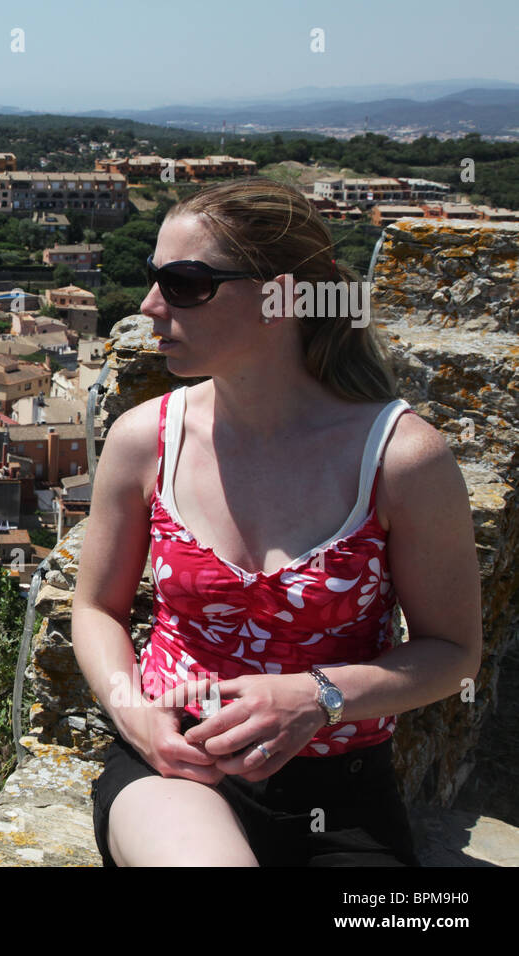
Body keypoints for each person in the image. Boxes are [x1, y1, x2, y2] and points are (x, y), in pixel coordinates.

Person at [71, 177, 482, 866]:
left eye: (184, 283)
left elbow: (452, 653)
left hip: (341, 792)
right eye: (153, 279)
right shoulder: (147, 440)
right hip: (177, 769)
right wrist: (135, 716)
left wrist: (316, 697)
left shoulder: (399, 459)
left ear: (285, 296)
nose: (148, 306)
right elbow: (94, 609)